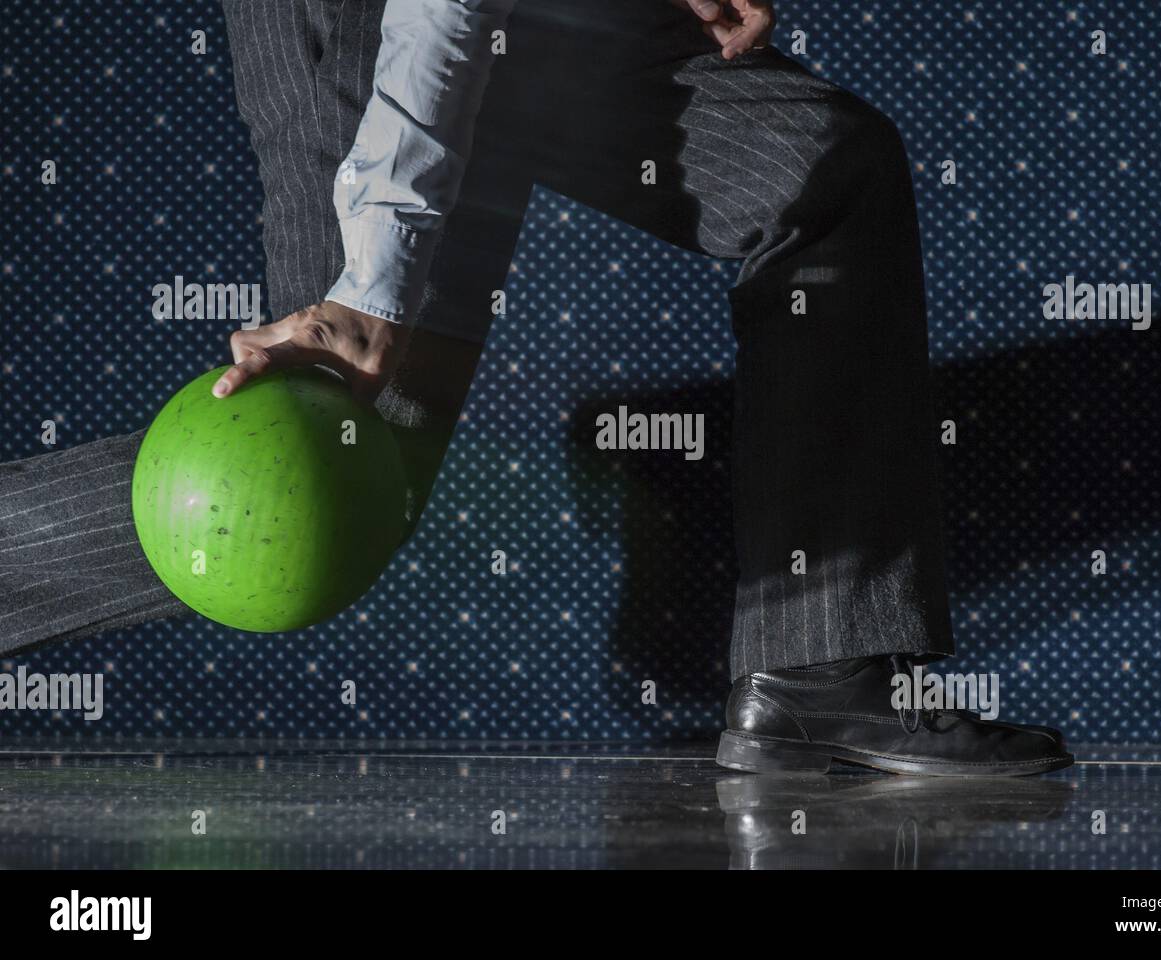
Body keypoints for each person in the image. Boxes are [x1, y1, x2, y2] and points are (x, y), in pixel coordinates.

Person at [0, 0, 1071, 776]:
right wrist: (373, 279)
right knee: (320, 451)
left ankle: (817, 670)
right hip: (386, 23)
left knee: (818, 168)